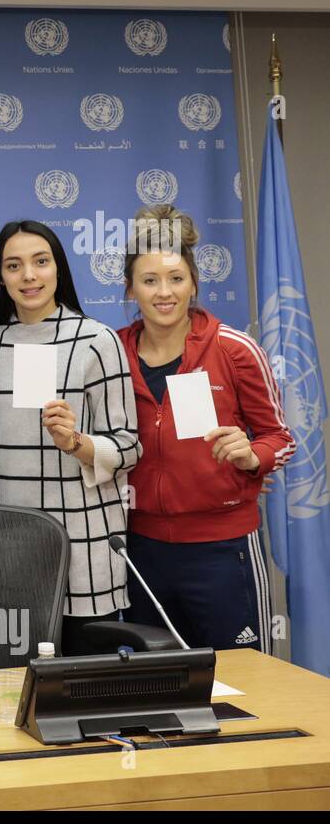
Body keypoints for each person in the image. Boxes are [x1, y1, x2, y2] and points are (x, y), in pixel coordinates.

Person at [116, 205, 293, 652]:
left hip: (223, 547)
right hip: (141, 551)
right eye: (149, 280)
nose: (164, 293)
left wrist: (253, 455)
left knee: (247, 680)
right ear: (130, 288)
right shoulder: (111, 352)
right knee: (156, 686)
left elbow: (281, 439)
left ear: (194, 282)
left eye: (176, 279)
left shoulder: (234, 349)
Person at [0, 221, 140, 655]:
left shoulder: (96, 340)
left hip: (83, 542)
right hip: (8, 542)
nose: (29, 276)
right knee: (13, 686)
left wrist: (77, 443)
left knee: (88, 684)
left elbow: (129, 446)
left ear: (58, 269)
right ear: (0, 277)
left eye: (40, 262)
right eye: (14, 265)